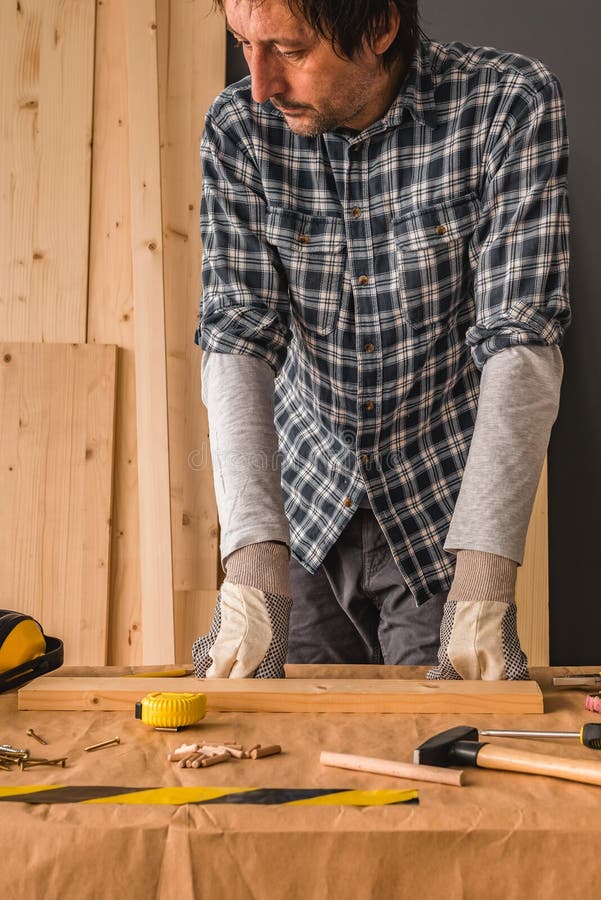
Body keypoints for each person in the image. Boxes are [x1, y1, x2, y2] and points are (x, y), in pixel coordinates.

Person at [192, 0, 571, 680]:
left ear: (379, 28)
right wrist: (251, 563)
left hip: (440, 519)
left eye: (291, 50)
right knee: (286, 740)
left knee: (440, 739)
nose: (260, 84)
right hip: (300, 507)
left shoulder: (507, 102)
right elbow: (237, 339)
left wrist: (484, 580)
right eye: (243, 43)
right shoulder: (239, 126)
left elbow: (520, 340)